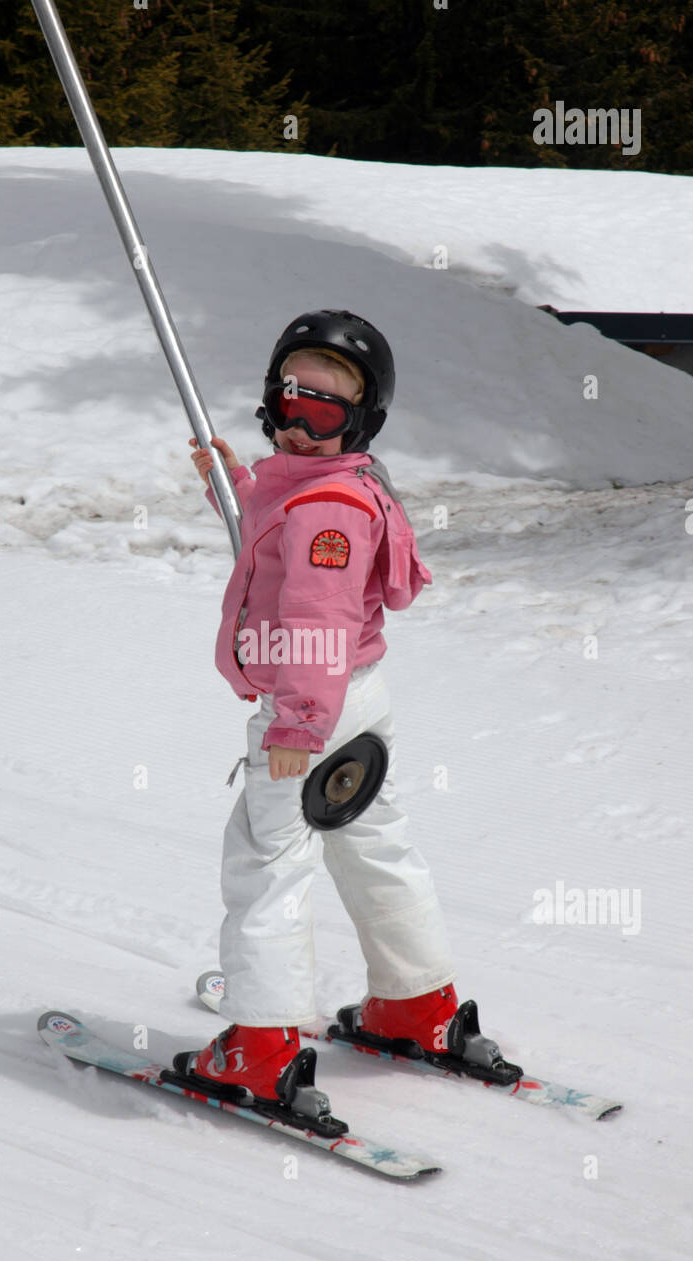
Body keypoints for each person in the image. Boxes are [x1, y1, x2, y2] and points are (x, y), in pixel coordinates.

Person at [174, 309, 515, 1122]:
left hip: (313, 705)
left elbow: (317, 622)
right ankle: (415, 1005)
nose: (299, 422)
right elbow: (295, 528)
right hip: (358, 705)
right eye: (289, 398)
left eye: (324, 412)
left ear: (359, 421)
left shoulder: (327, 512)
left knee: (267, 862)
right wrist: (242, 485)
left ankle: (259, 1051)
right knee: (372, 845)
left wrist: (295, 727)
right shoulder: (337, 487)